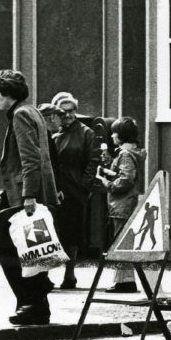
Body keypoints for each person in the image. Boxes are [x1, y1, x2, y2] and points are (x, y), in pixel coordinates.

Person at [0, 69, 59, 326]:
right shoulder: (32, 112)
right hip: (29, 191)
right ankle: (35, 306)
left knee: (7, 246)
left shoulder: (20, 115)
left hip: (23, 193)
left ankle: (35, 296)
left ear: (9, 94)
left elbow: (31, 159)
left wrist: (29, 196)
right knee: (32, 249)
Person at [48, 91, 99, 289]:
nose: (67, 115)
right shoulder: (52, 132)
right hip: (53, 189)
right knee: (52, 233)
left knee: (72, 235)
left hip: (74, 191)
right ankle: (46, 275)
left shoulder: (86, 133)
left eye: (71, 111)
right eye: (62, 112)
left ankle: (70, 275)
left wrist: (83, 187)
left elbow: (93, 162)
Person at [101, 116, 146, 293]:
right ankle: (123, 280)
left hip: (122, 205)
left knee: (121, 241)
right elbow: (121, 172)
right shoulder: (129, 153)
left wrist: (108, 184)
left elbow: (126, 179)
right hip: (126, 203)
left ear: (121, 136)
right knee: (124, 241)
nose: (112, 136)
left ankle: (124, 282)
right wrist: (107, 166)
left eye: (114, 133)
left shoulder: (125, 154)